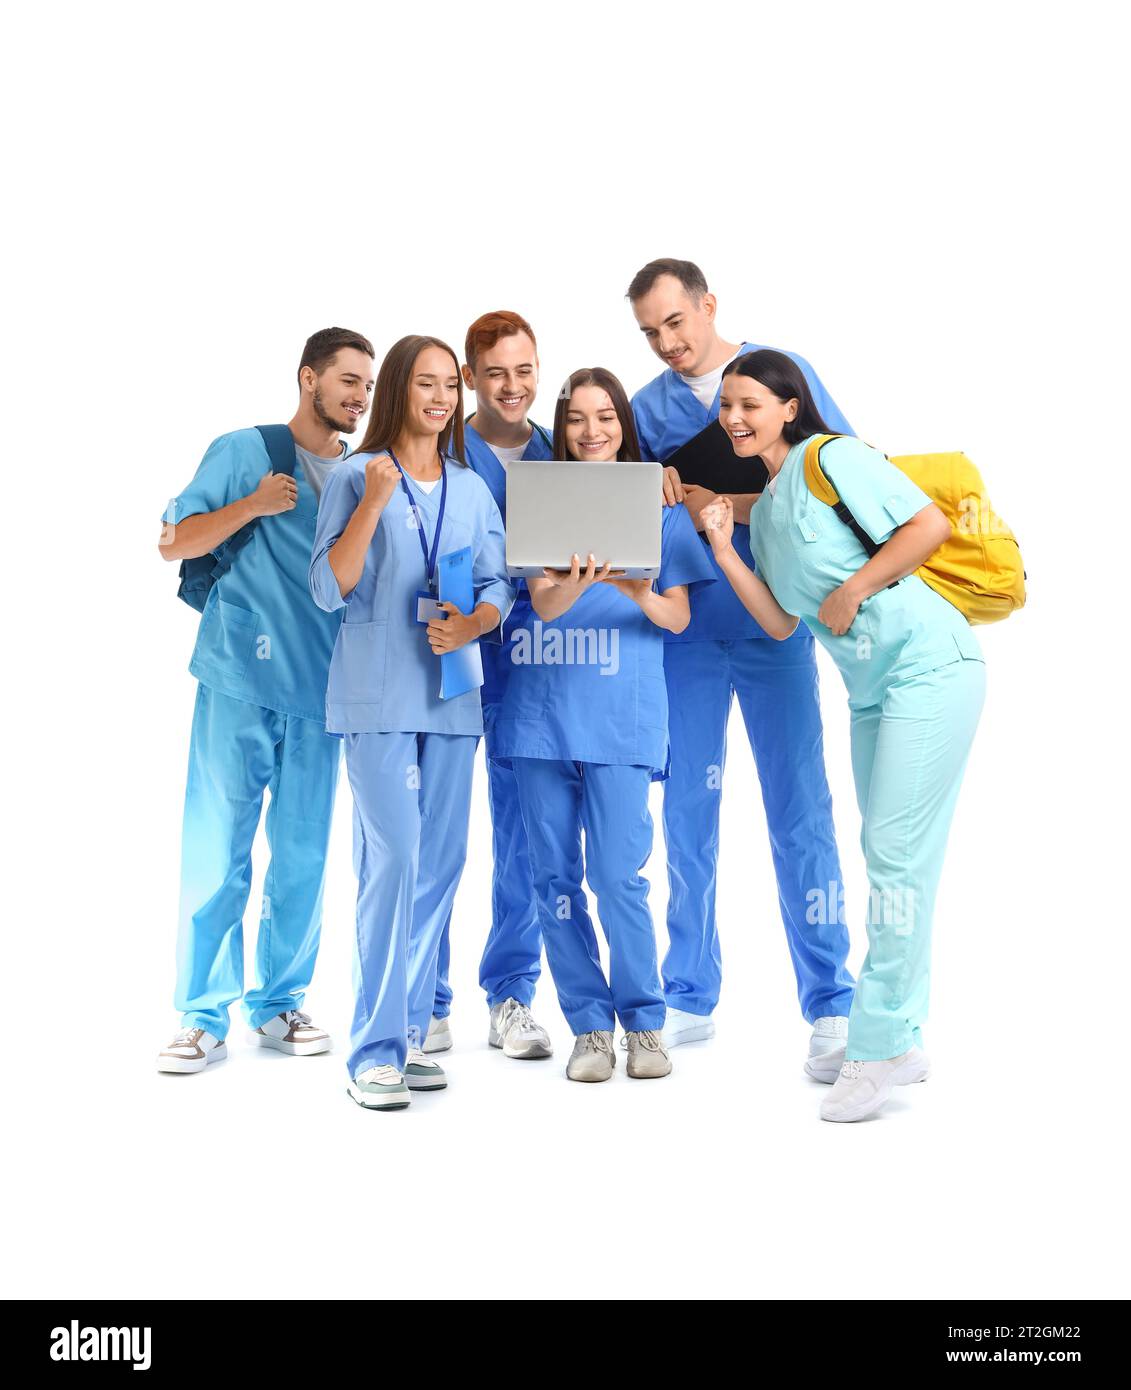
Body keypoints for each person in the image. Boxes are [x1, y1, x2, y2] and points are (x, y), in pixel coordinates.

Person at [700, 350, 985, 1122]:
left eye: (750, 403)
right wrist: (724, 547)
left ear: (789, 407)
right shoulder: (766, 506)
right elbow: (778, 620)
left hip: (930, 667)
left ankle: (876, 1042)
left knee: (894, 857)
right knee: (894, 857)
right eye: (725, 404)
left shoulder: (832, 458)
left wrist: (856, 585)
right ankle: (902, 1034)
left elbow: (927, 525)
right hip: (870, 692)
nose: (733, 416)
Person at [627, 257, 854, 1071]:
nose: (666, 343)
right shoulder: (645, 409)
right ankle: (686, 989)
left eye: (675, 323)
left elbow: (839, 485)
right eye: (650, 332)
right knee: (687, 812)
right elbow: (628, 509)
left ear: (707, 307)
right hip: (685, 633)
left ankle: (831, 1000)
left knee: (800, 811)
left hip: (775, 626)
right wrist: (656, 494)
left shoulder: (776, 375)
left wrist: (727, 508)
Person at [156, 327, 376, 1074]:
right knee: (217, 848)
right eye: (346, 379)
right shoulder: (245, 451)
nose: (358, 395)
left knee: (302, 854)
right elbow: (172, 542)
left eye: (368, 386)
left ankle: (279, 1003)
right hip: (239, 681)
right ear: (307, 376)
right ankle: (199, 1015)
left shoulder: (360, 475)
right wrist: (251, 506)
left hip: (320, 691)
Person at [492, 369, 716, 1082]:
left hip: (622, 718)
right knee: (554, 879)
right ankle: (589, 1026)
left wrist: (639, 589)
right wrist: (581, 579)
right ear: (563, 428)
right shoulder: (542, 500)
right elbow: (547, 607)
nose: (592, 431)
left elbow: (677, 617)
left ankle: (643, 1026)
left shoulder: (659, 508)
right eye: (579, 419)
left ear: (624, 424)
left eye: (606, 418)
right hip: (543, 715)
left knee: (620, 877)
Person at [309, 335, 514, 1111]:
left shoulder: (469, 490)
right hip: (379, 696)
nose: (439, 398)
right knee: (391, 858)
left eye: (448, 385)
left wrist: (474, 623)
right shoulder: (354, 475)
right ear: (397, 389)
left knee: (438, 865)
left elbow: (496, 584)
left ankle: (411, 1025)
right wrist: (370, 503)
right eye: (423, 384)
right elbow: (329, 588)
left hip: (452, 695)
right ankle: (372, 1049)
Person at [426, 311, 555, 1062]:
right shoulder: (442, 447)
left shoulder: (561, 451)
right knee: (434, 833)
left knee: (521, 837)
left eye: (525, 369)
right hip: (446, 663)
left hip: (534, 668)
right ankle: (426, 998)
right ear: (471, 377)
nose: (513, 386)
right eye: (496, 372)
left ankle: (511, 996)